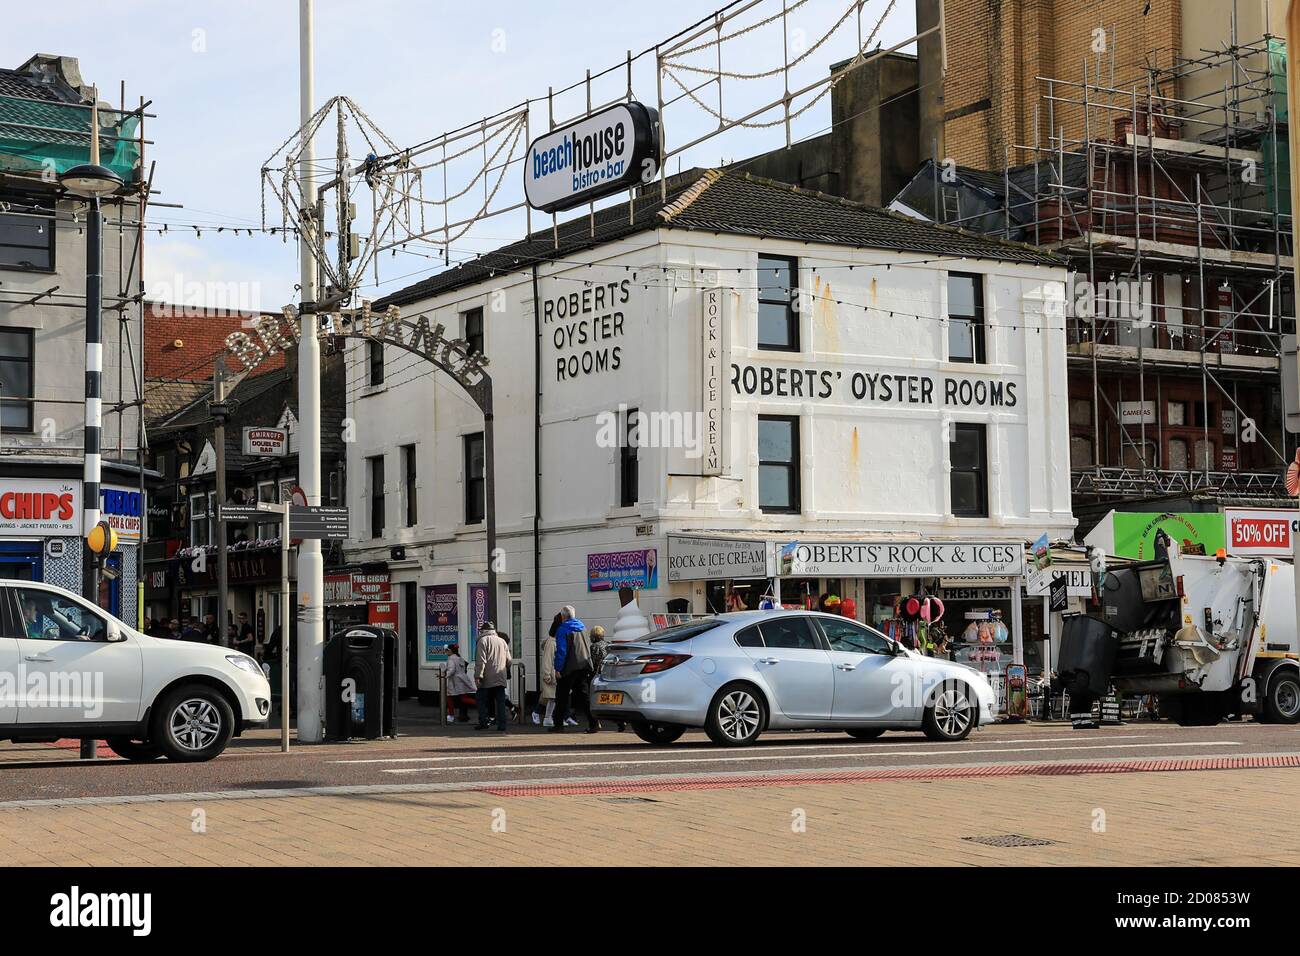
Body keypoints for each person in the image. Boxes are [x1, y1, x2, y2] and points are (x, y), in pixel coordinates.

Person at [552, 605, 595, 733]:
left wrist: (558, 668)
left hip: (568, 667)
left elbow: (562, 651)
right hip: (583, 665)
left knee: (561, 696)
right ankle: (594, 722)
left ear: (563, 616)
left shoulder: (563, 629)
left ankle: (558, 724)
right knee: (584, 695)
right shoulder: (582, 627)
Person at [474, 622, 511, 732]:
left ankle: (483, 722)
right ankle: (502, 725)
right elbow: (509, 660)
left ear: (483, 631)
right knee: (500, 701)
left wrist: (478, 676)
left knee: (481, 700)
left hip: (487, 677)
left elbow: (481, 661)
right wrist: (503, 670)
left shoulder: (482, 641)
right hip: (500, 676)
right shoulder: (502, 641)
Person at [588, 625, 622, 732]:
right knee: (611, 701)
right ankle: (620, 721)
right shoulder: (609, 645)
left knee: (595, 700)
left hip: (599, 676)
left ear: (593, 636)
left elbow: (593, 663)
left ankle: (595, 723)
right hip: (610, 676)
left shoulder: (594, 647)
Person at [532, 617, 559, 726]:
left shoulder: (553, 641)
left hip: (554, 672)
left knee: (548, 696)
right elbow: (548, 658)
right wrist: (547, 674)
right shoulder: (552, 642)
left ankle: (540, 713)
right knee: (552, 697)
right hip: (552, 672)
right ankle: (547, 717)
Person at [443, 643, 477, 722]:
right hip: (462, 680)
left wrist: (444, 676)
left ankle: (451, 716)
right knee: (463, 698)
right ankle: (480, 704)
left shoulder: (451, 659)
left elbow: (451, 670)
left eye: (446, 651)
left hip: (454, 681)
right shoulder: (459, 658)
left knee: (450, 698)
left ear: (450, 651)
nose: (445, 653)